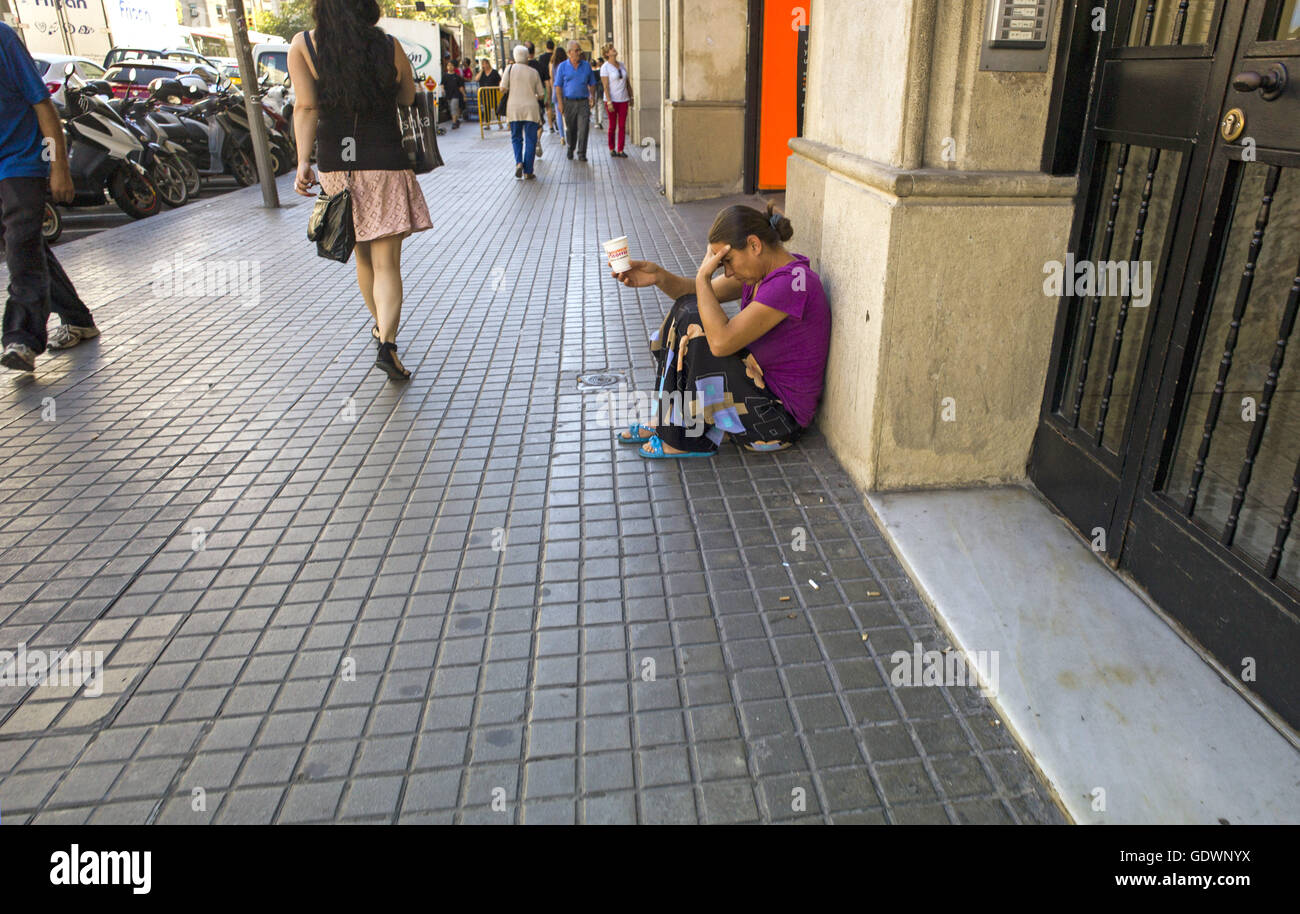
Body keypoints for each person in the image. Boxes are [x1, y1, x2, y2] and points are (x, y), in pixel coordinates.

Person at [610, 204, 830, 457]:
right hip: (759, 394)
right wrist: (658, 276)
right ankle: (666, 421)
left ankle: (682, 438)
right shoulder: (765, 273)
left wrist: (704, 277)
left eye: (727, 260)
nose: (727, 271)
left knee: (696, 322)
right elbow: (692, 294)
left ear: (754, 245)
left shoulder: (792, 283)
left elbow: (721, 343)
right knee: (687, 308)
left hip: (776, 421)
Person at [289, 0, 432, 382]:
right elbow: (406, 98)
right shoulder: (389, 46)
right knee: (388, 264)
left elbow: (305, 107)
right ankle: (387, 341)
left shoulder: (304, 45)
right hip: (385, 160)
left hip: (338, 165)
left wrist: (303, 161)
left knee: (363, 258)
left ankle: (378, 325)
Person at [0, 23, 100, 371]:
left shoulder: (3, 39)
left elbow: (44, 106)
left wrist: (59, 167)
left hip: (23, 161)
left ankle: (21, 339)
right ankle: (78, 318)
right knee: (26, 244)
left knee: (21, 244)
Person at [502, 45, 544, 181]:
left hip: (514, 108)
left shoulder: (509, 69)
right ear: (527, 57)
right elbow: (541, 94)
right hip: (531, 109)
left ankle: (519, 162)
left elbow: (502, 88)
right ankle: (528, 171)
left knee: (516, 138)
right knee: (531, 140)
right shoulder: (533, 72)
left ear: (515, 56)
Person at [553, 41, 596, 162]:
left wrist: (591, 96)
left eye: (579, 50)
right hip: (569, 102)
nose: (579, 53)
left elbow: (592, 83)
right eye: (576, 50)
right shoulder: (562, 66)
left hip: (583, 102)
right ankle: (570, 147)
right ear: (569, 52)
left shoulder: (586, 65)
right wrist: (560, 103)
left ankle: (582, 153)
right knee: (571, 129)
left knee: (584, 128)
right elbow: (558, 86)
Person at [600, 46, 633, 158]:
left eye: (613, 48)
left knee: (622, 125)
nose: (614, 49)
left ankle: (620, 149)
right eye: (611, 49)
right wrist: (609, 102)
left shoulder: (622, 65)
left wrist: (631, 96)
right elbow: (605, 86)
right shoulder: (605, 67)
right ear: (607, 54)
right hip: (612, 100)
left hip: (623, 99)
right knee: (612, 126)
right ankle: (611, 148)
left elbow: (627, 82)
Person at [537, 40, 556, 133]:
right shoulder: (556, 56)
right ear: (554, 46)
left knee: (548, 106)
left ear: (546, 47)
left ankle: (551, 126)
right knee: (556, 104)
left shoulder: (541, 58)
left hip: (545, 84)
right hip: (556, 84)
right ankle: (555, 118)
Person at [441, 57, 465, 128]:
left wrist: (464, 95)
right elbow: (442, 84)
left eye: (451, 65)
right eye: (448, 65)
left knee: (454, 107)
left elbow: (461, 87)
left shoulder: (457, 77)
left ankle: (454, 123)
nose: (449, 67)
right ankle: (456, 121)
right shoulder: (445, 76)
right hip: (448, 95)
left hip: (456, 95)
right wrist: (442, 90)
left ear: (454, 67)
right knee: (451, 109)